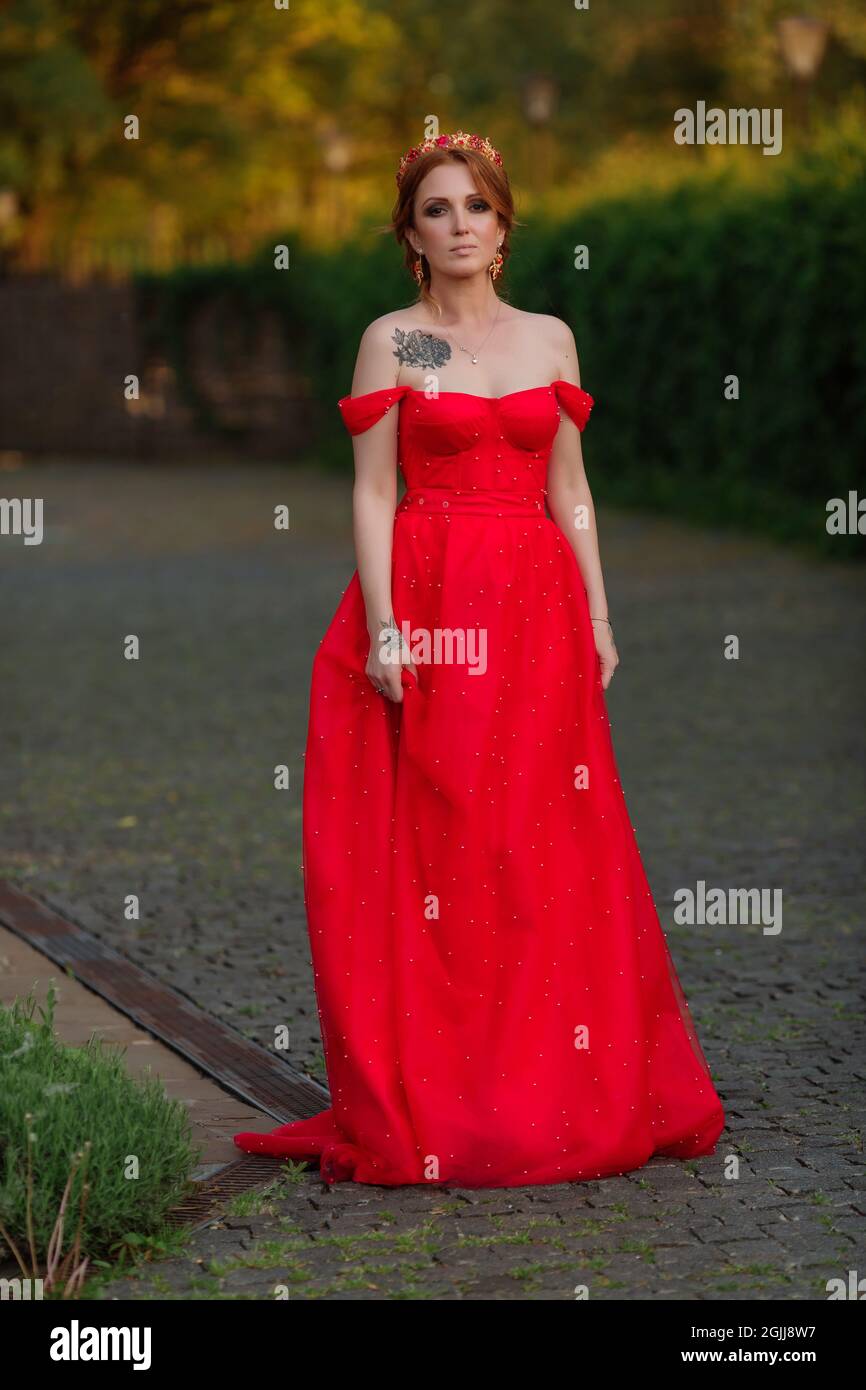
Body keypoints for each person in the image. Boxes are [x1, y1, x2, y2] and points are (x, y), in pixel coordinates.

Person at [234, 131, 725, 1186]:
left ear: (504, 226)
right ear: (410, 235)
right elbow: (372, 491)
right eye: (436, 210)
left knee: (540, 837)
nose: (459, 226)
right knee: (442, 840)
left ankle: (558, 1083)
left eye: (477, 209)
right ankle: (449, 1092)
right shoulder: (396, 343)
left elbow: (570, 489)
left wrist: (596, 612)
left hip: (538, 612)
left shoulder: (550, 338)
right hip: (429, 597)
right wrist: (379, 624)